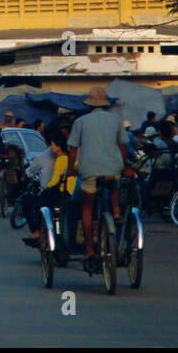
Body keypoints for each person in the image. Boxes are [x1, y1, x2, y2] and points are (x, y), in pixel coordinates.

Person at [67, 86, 132, 260]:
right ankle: (116, 212)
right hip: (112, 167)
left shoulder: (81, 122)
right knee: (113, 184)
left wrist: (70, 170)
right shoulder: (116, 120)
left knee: (87, 208)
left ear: (89, 105)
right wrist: (125, 167)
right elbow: (123, 147)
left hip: (89, 169)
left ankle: (89, 250)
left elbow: (73, 150)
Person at [21, 131, 76, 247]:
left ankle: (37, 232)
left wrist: (46, 190)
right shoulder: (70, 158)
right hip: (70, 193)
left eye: (52, 145)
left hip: (61, 193)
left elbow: (55, 180)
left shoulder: (61, 159)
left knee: (35, 204)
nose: (50, 147)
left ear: (59, 145)